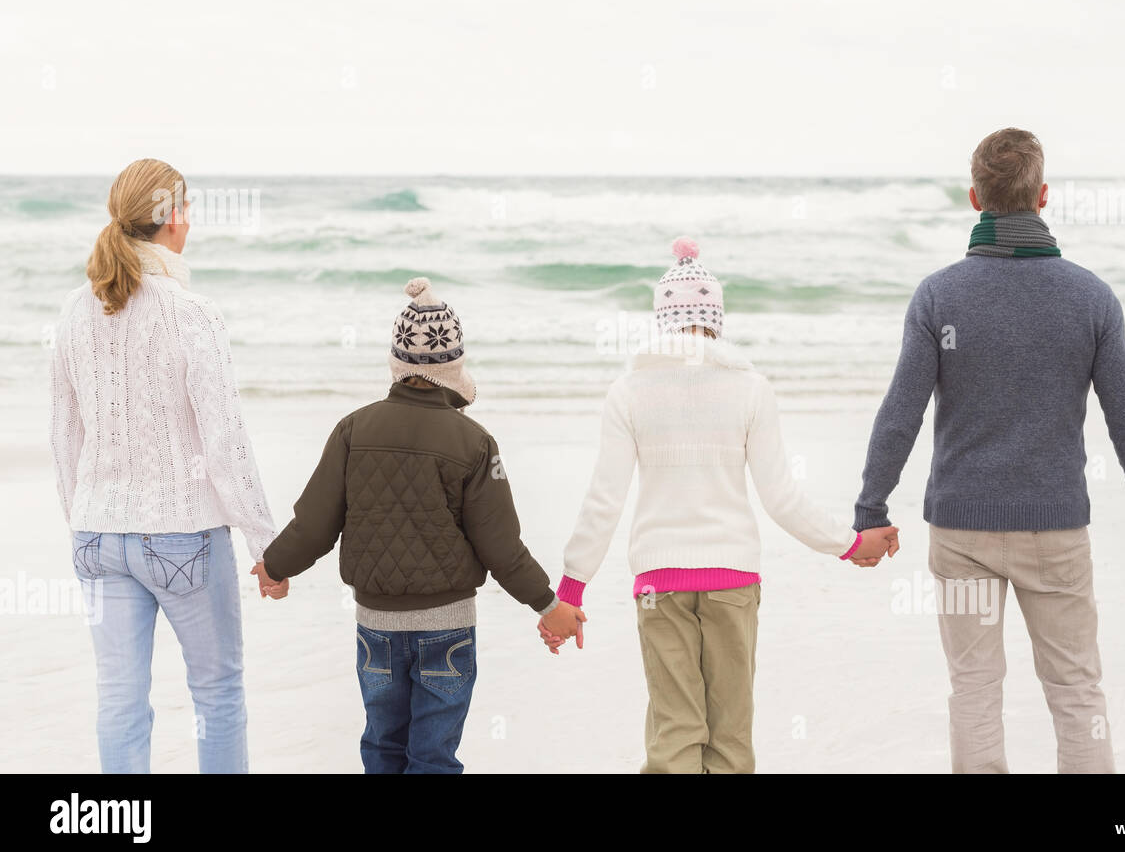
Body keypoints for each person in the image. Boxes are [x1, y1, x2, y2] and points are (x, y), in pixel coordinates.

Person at [852, 128, 1125, 773]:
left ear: (975, 198)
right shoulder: (1090, 297)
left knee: (973, 687)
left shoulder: (940, 295)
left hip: (963, 530)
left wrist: (872, 509)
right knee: (1077, 688)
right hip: (1054, 531)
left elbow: (900, 414)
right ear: (1043, 197)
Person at [541, 238, 899, 773]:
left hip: (658, 584)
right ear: (716, 319)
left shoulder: (629, 391)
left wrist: (569, 591)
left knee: (675, 730)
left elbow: (604, 499)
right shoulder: (751, 389)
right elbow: (782, 497)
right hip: (733, 580)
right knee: (730, 735)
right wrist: (848, 545)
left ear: (662, 320)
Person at [256, 278, 584, 773]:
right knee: (433, 756)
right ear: (455, 367)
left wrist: (276, 566)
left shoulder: (353, 429)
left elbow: (316, 522)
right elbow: (501, 546)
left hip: (376, 626)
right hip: (447, 627)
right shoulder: (476, 442)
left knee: (383, 746)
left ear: (396, 361)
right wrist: (548, 604)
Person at [50, 158, 278, 773]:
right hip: (183, 537)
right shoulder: (190, 312)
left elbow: (63, 437)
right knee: (218, 696)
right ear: (174, 217)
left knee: (119, 703)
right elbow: (225, 442)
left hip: (97, 536)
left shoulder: (75, 310)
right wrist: (267, 547)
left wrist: (85, 518)